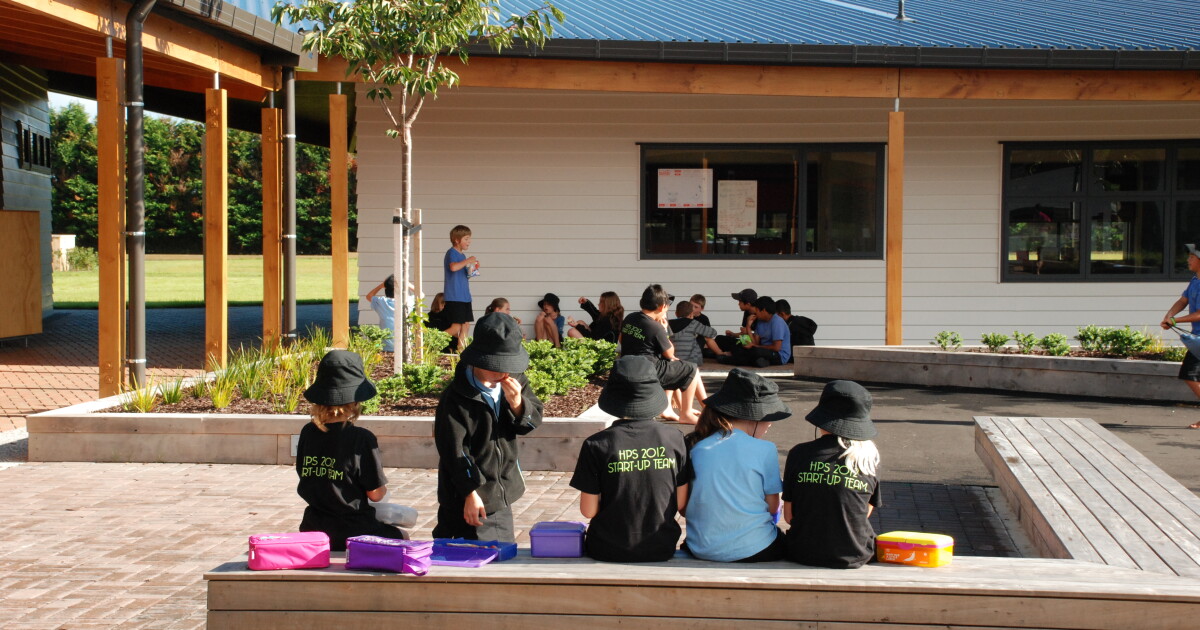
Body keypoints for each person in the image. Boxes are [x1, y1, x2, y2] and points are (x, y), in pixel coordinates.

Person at [432, 312, 543, 541]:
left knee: (500, 556)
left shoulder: (516, 380)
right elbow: (454, 451)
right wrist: (469, 493)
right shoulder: (456, 397)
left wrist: (519, 405)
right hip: (463, 495)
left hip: (500, 492)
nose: (503, 373)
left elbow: (532, 422)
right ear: (478, 359)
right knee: (458, 559)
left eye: (508, 366)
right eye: (495, 366)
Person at [570, 356, 689, 562]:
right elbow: (681, 504)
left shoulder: (596, 444)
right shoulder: (675, 438)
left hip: (606, 548)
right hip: (660, 546)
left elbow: (588, 511)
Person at [296, 350, 409, 551]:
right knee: (402, 536)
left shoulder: (307, 432)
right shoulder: (361, 438)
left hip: (314, 528)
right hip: (356, 529)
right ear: (355, 401)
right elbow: (375, 494)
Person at [683, 368, 789, 562]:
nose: (770, 424)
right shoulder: (765, 449)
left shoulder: (695, 445)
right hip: (755, 549)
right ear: (754, 417)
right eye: (769, 418)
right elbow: (773, 507)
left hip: (700, 547)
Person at [783, 380, 881, 569]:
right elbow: (863, 512)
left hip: (802, 552)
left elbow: (789, 516)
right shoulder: (869, 457)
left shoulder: (799, 453)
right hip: (855, 554)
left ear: (823, 417)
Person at [619, 284, 703, 424]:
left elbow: (621, 339)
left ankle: (672, 408)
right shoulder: (656, 327)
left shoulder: (630, 318)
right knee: (691, 369)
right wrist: (664, 331)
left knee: (674, 365)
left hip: (629, 366)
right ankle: (686, 413)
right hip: (648, 370)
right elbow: (670, 353)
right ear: (662, 307)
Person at [1161, 243, 1200, 429]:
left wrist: (1175, 321)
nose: (1188, 260)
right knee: (1191, 375)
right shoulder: (1195, 280)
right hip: (1197, 337)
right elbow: (1183, 300)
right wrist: (1169, 316)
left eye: (1192, 257)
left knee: (1190, 374)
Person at [724, 296, 791, 368]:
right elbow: (755, 342)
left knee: (755, 352)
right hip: (762, 350)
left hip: (779, 355)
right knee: (740, 346)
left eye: (757, 310)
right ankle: (759, 361)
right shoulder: (760, 321)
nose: (755, 312)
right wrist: (748, 327)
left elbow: (776, 348)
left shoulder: (777, 322)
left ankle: (728, 359)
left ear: (764, 310)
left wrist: (754, 346)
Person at [443, 225, 478, 352]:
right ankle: (430, 342)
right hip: (455, 295)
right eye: (466, 239)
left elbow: (462, 273)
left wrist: (471, 269)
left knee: (466, 325)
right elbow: (453, 267)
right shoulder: (451, 252)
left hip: (464, 296)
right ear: (457, 240)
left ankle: (461, 353)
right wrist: (468, 260)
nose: (469, 242)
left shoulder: (463, 256)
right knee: (456, 327)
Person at [668, 300, 725, 366]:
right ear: (691, 314)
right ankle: (721, 354)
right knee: (704, 335)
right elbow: (713, 333)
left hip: (672, 360)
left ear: (676, 313)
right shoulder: (693, 323)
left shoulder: (667, 324)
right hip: (692, 361)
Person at [715, 288, 758, 353]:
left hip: (757, 345)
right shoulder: (747, 312)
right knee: (719, 338)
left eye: (740, 302)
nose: (738, 304)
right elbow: (744, 334)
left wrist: (749, 331)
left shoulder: (760, 315)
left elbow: (759, 337)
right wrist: (733, 335)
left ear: (748, 304)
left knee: (737, 349)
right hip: (747, 342)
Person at [365, 275, 398, 352]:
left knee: (376, 345)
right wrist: (407, 283)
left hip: (385, 346)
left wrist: (381, 286)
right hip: (404, 345)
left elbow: (369, 296)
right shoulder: (406, 302)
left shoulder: (381, 301)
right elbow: (421, 295)